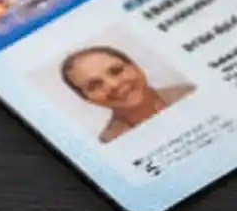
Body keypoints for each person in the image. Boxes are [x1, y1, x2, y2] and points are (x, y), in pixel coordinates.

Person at [60, 46, 195, 143]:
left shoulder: (189, 92)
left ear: (136, 67)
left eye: (116, 71)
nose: (113, 85)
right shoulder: (110, 141)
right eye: (94, 85)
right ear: (86, 99)